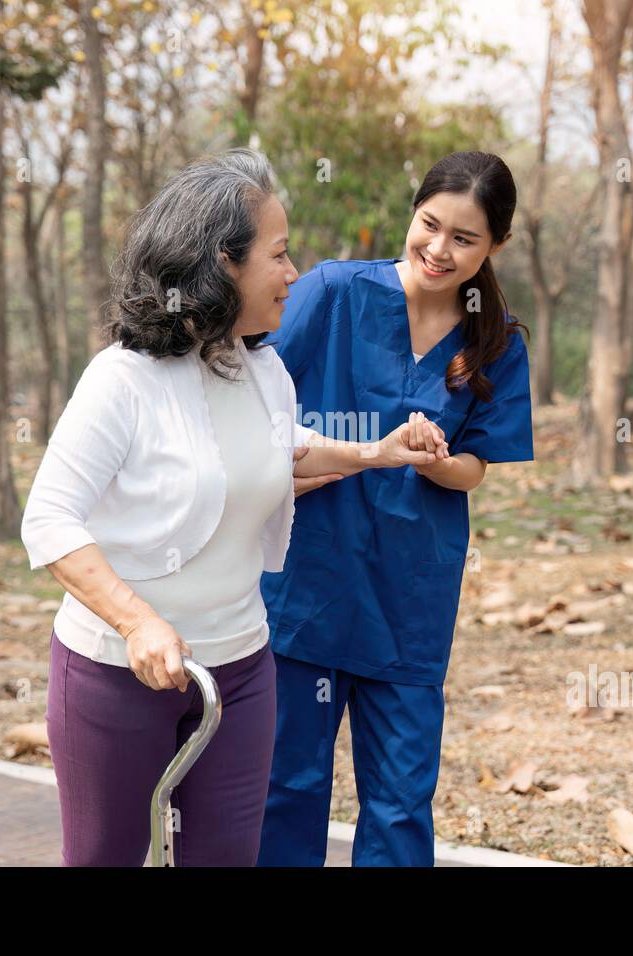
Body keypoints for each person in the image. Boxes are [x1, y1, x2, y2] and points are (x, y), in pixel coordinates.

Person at [19, 148, 449, 866]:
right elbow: (49, 518)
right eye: (278, 256)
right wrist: (137, 621)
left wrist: (377, 452)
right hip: (115, 677)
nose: (292, 275)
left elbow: (281, 451)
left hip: (241, 670)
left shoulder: (261, 368)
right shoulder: (121, 381)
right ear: (224, 263)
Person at [256, 151, 536, 867]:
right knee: (286, 790)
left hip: (409, 603)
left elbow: (476, 467)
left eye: (465, 239)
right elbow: (250, 395)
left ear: (496, 246)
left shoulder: (496, 340)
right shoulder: (332, 293)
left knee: (400, 804)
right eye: (430, 225)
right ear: (412, 215)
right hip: (307, 589)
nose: (440, 250)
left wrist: (439, 460)